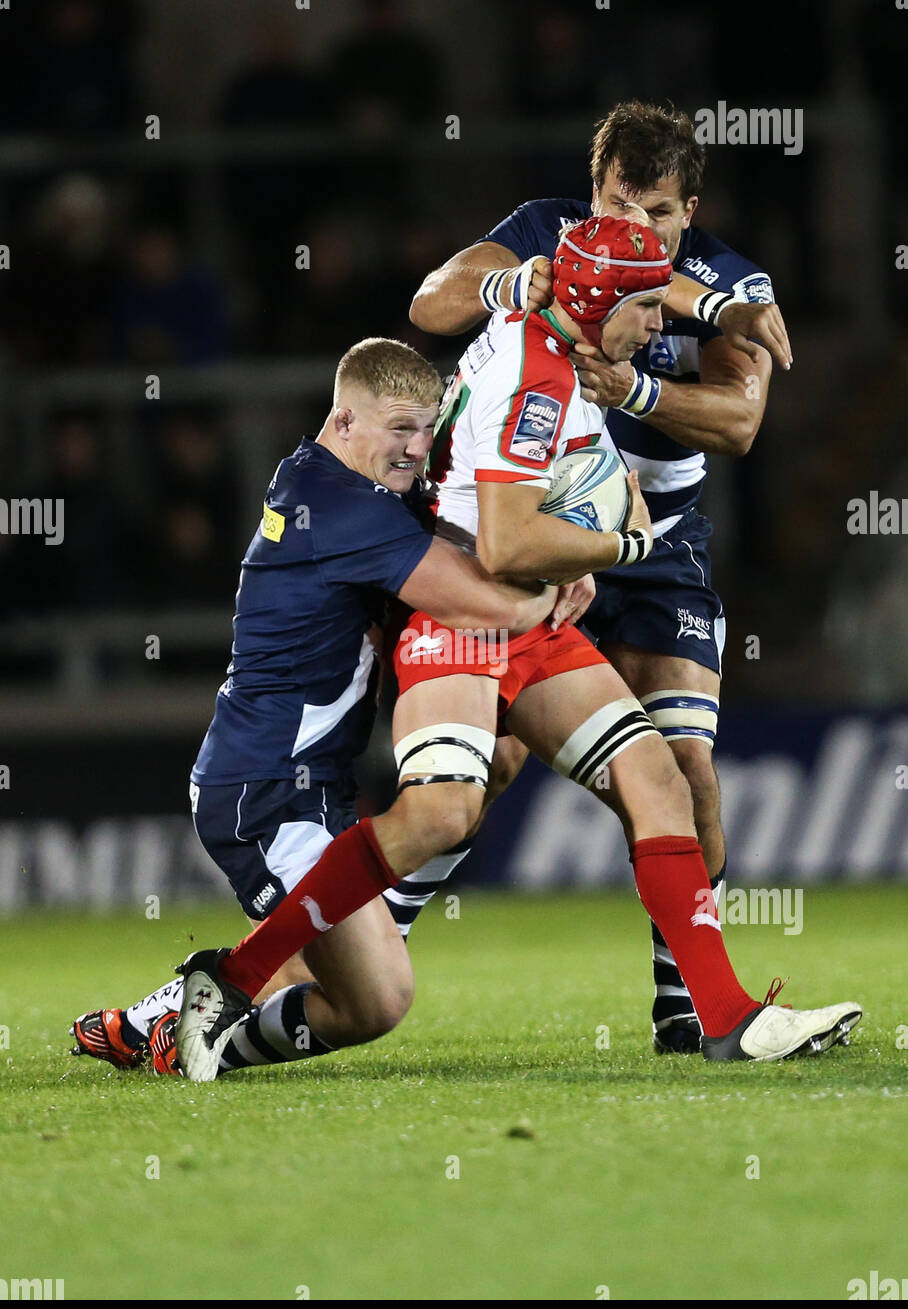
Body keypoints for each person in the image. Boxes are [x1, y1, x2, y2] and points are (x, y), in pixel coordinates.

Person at [176, 217, 860, 1081]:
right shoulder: (536, 381)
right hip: (466, 620)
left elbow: (594, 471)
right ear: (599, 300)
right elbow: (503, 545)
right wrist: (621, 553)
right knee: (442, 814)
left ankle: (723, 1018)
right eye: (646, 305)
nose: (657, 325)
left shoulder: (566, 353)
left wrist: (607, 534)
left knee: (661, 781)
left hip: (531, 618)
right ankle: (232, 978)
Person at [69, 336, 567, 1075]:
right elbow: (487, 605)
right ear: (343, 423)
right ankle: (190, 1042)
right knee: (375, 1000)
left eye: (426, 428)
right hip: (265, 792)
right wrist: (580, 564)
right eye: (398, 429)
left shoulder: (324, 482)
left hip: (304, 786)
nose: (415, 449)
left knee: (495, 756)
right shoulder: (342, 508)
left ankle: (151, 1023)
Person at [408, 100, 792, 1052]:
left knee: (688, 769)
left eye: (659, 213)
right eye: (621, 203)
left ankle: (687, 1007)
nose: (637, 228)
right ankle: (363, 943)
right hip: (528, 532)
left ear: (689, 208)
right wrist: (527, 284)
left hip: (655, 544)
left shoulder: (730, 277)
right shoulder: (546, 235)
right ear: (593, 194)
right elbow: (430, 302)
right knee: (474, 777)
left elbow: (741, 422)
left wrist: (637, 389)